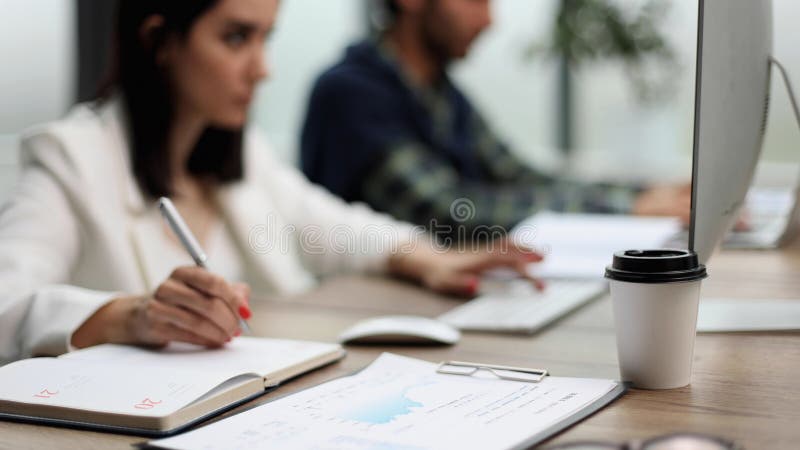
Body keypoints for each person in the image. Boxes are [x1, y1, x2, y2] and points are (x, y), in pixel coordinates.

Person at [0, 0, 542, 362]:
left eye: (266, 38)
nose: (263, 68)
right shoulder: (71, 158)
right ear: (161, 41)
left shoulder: (238, 157)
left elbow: (335, 227)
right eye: (237, 38)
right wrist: (131, 315)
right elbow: (6, 305)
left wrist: (426, 257)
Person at [300, 0, 691, 241]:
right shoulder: (349, 95)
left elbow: (520, 175)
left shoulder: (442, 94)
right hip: (363, 320)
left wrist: (642, 194)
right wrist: (624, 210)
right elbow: (452, 213)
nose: (490, 20)